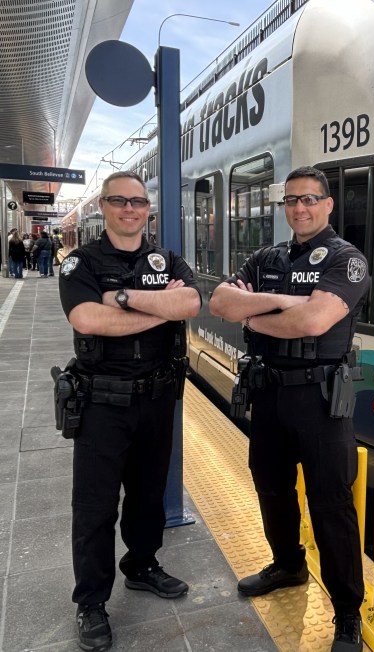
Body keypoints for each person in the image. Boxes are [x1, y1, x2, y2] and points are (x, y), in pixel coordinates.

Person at [209, 166, 370, 652]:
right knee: (271, 487)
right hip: (271, 395)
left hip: (321, 401)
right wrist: (285, 306)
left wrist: (256, 316)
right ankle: (288, 565)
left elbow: (317, 320)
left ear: (327, 205)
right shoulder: (266, 256)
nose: (299, 208)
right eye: (291, 200)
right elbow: (219, 302)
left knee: (331, 505)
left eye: (309, 199)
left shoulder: (347, 259)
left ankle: (347, 613)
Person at [56, 171, 201, 652]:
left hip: (156, 400)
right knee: (95, 507)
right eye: (120, 200)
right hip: (102, 403)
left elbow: (191, 301)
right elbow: (87, 318)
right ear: (103, 205)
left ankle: (141, 565)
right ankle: (91, 602)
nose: (130, 209)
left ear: (147, 209)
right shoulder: (80, 262)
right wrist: (164, 306)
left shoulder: (166, 258)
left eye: (138, 202)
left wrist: (123, 298)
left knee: (147, 494)